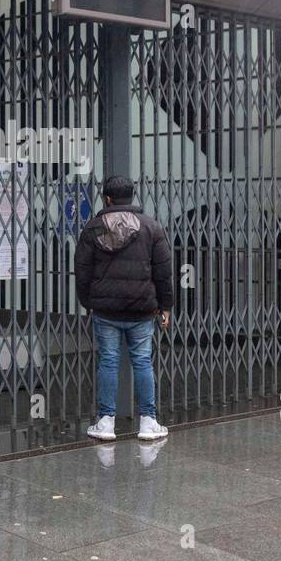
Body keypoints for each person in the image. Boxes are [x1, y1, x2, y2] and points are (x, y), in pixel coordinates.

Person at [75, 176, 174, 442]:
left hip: (106, 311)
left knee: (108, 361)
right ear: (131, 197)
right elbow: (164, 272)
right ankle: (148, 422)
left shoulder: (93, 229)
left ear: (107, 198)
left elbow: (82, 272)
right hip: (142, 310)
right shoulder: (151, 228)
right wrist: (166, 306)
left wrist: (89, 303)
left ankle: (106, 422)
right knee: (142, 361)